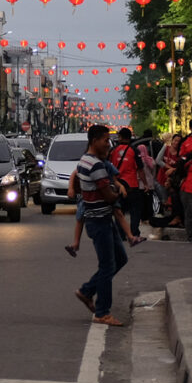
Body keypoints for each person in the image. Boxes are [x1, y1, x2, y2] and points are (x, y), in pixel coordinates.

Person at [72, 124, 129, 327]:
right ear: (94, 141)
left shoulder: (86, 161)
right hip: (99, 221)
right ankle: (102, 312)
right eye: (105, 140)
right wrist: (118, 193)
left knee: (120, 259)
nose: (108, 144)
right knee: (107, 267)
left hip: (103, 219)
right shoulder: (95, 165)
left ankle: (87, 290)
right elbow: (108, 195)